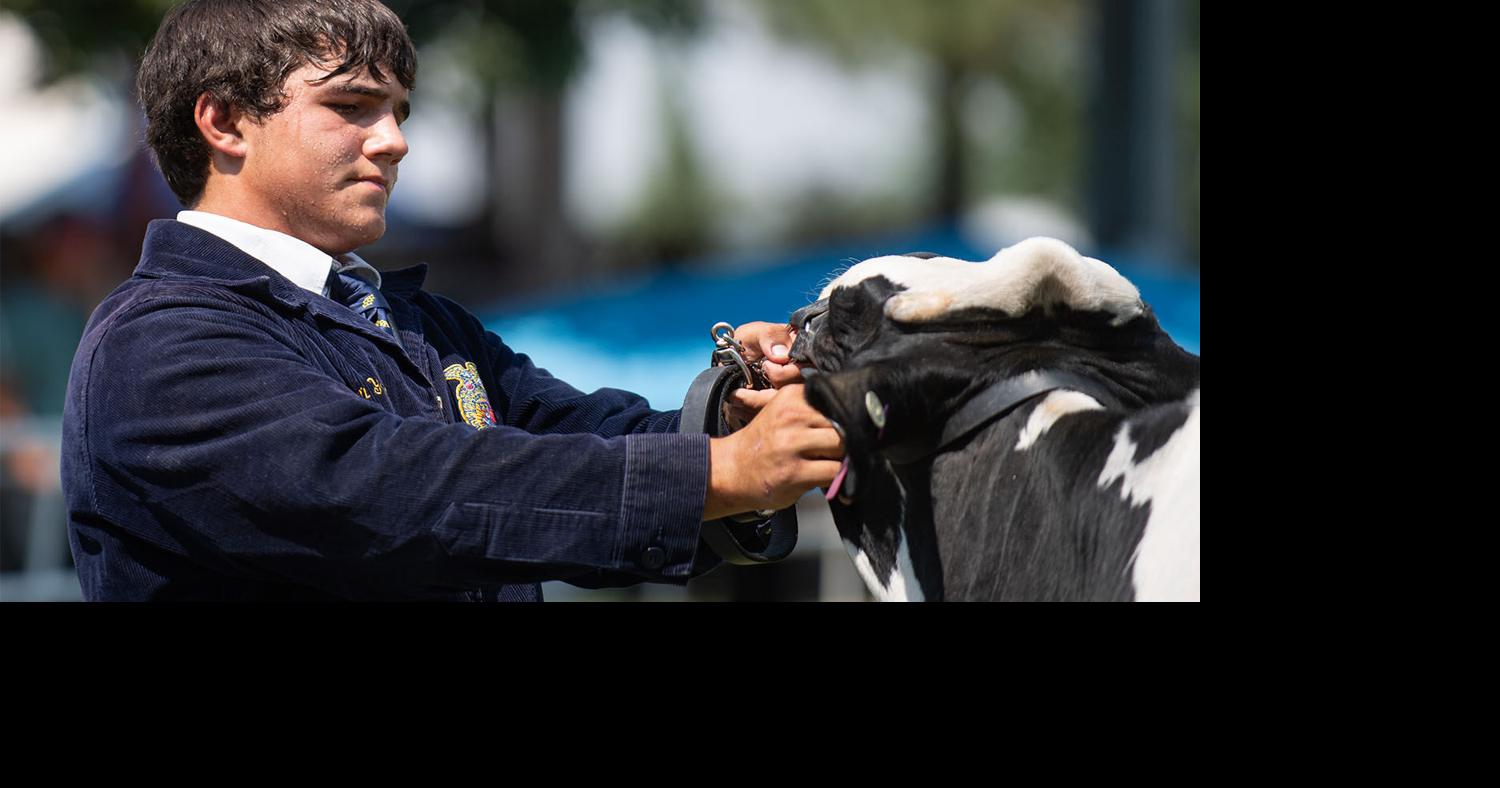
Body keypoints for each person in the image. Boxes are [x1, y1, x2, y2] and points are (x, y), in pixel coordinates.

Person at [60, 0, 843, 601]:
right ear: (224, 121)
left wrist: (736, 414)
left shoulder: (419, 324)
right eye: (351, 105)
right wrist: (718, 473)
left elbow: (581, 433)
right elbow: (401, 491)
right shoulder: (159, 344)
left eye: (398, 109)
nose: (394, 138)